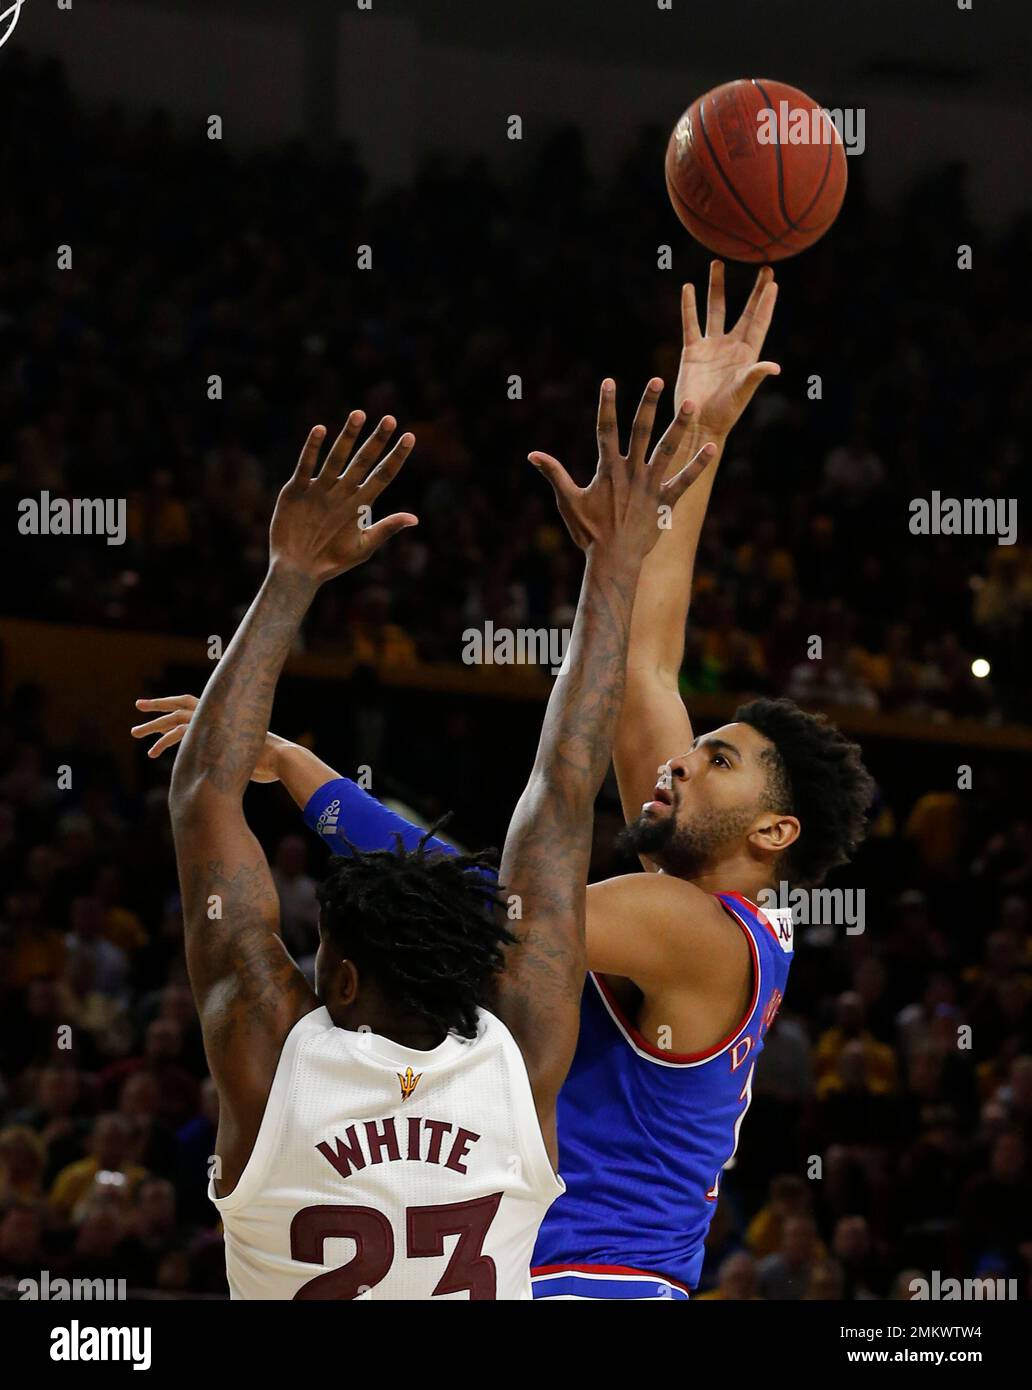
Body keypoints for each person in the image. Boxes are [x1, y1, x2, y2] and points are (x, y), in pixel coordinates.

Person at [138, 267, 874, 1299]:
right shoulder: (706, 904)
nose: (680, 759)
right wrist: (697, 437)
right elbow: (649, 661)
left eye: (718, 760)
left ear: (773, 832)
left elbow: (501, 913)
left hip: (597, 1281)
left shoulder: (697, 926)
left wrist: (305, 774)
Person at [156, 394, 711, 1299]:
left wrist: (289, 571)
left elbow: (202, 790)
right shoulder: (519, 1063)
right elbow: (561, 798)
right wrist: (613, 564)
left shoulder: (274, 1070)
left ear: (339, 978)